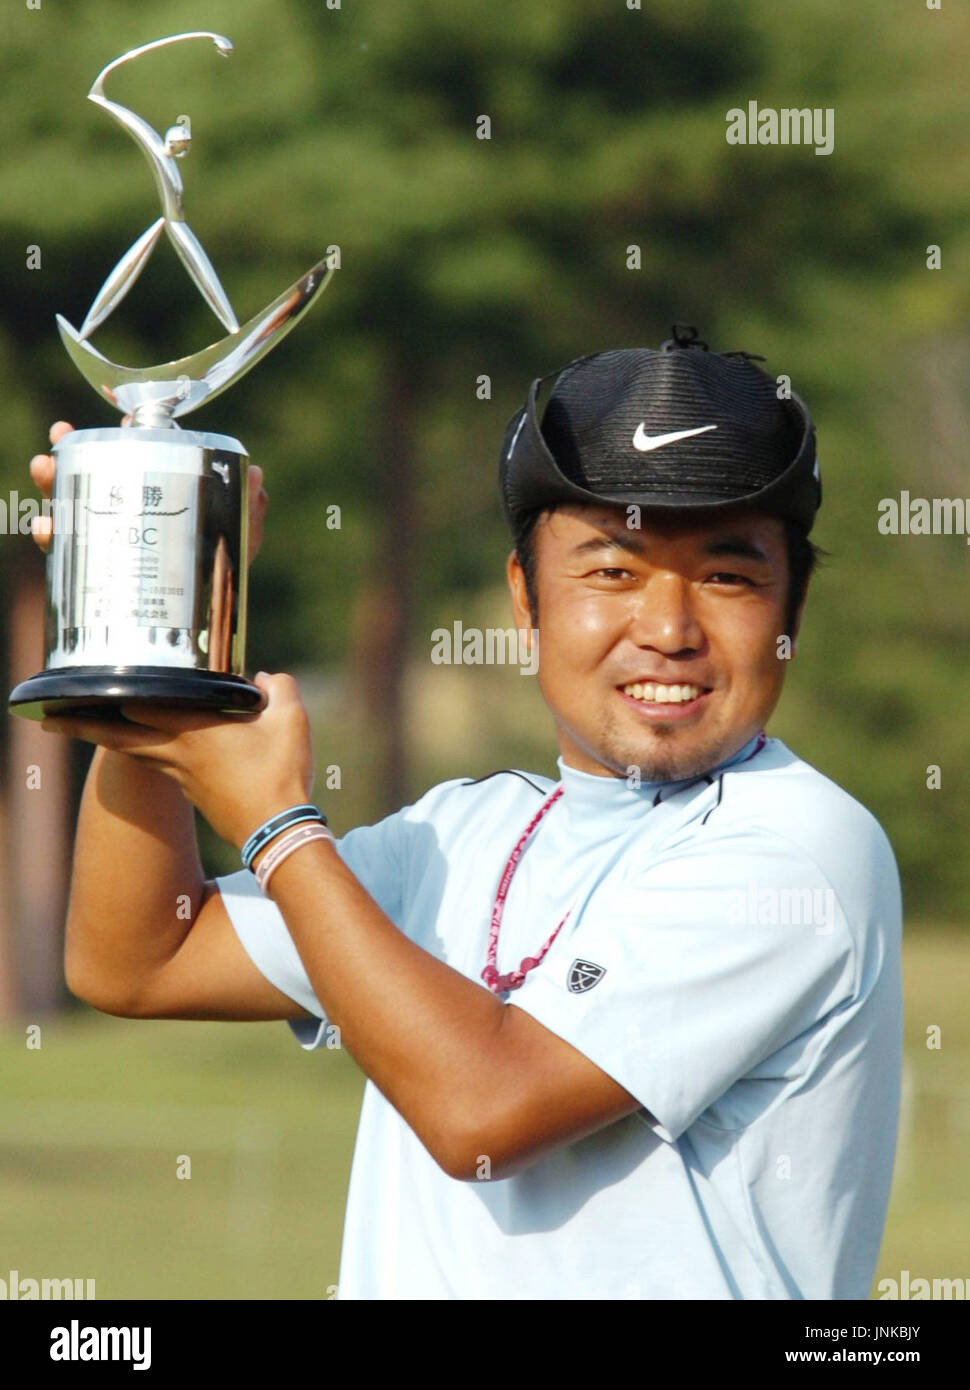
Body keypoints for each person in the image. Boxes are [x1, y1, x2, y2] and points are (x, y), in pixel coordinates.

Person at [30, 328, 903, 1300]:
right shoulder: (460, 835)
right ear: (525, 602)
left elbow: (483, 1112)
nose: (668, 629)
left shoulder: (797, 847)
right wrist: (155, 631)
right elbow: (141, 959)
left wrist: (279, 826)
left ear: (791, 614)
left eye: (727, 576)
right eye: (612, 571)